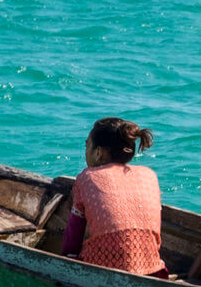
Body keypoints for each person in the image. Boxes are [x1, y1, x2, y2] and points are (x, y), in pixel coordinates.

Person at [61, 117, 168, 277]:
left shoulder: (87, 178)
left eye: (87, 145)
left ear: (98, 153)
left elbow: (72, 240)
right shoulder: (149, 175)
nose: (85, 151)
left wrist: (65, 263)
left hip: (103, 271)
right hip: (154, 271)